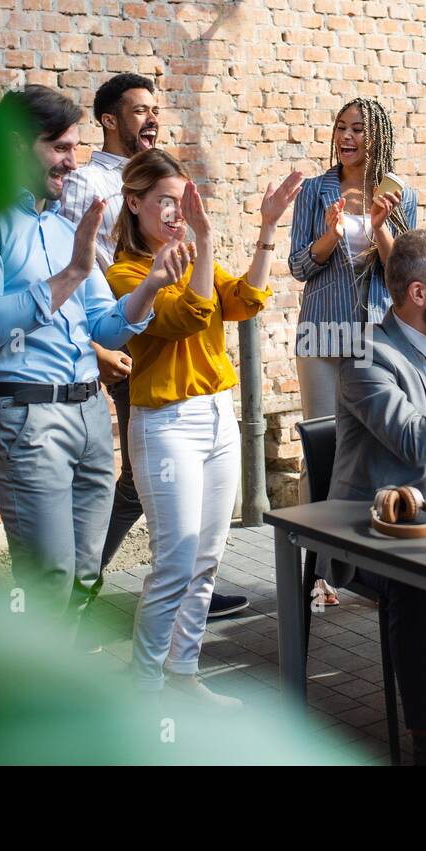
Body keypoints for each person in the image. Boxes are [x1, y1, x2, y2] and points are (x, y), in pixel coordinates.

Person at [0, 86, 189, 623]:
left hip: (89, 414)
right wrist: (72, 276)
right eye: (59, 147)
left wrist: (150, 287)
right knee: (48, 578)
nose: (72, 160)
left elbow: (104, 327)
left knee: (86, 575)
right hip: (25, 418)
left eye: (74, 146)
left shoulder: (64, 229)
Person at [106, 148, 300, 706]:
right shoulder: (127, 270)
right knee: (174, 561)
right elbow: (183, 316)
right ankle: (144, 688)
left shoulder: (191, 255)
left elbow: (243, 302)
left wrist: (266, 227)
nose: (174, 211)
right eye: (164, 201)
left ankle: (183, 675)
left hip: (218, 414)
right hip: (166, 423)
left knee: (208, 557)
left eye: (180, 200)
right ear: (134, 202)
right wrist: (204, 239)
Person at [61, 73, 253, 621]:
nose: (152, 119)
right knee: (134, 475)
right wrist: (97, 346)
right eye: (139, 110)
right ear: (109, 120)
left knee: (134, 478)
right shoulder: (86, 185)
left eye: (154, 109)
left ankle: (176, 583)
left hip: (156, 332)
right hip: (128, 339)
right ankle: (92, 582)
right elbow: (72, 274)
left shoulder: (158, 179)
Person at [327, 228, 426, 765]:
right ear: (419, 293)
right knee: (418, 588)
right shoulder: (365, 355)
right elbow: (418, 443)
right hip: (370, 528)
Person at [288, 99, 415, 456]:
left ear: (378, 138)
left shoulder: (401, 196)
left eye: (358, 129)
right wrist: (331, 236)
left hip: (380, 336)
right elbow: (299, 267)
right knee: (323, 446)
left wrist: (380, 228)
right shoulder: (314, 191)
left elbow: (404, 278)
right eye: (341, 127)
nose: (346, 136)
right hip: (321, 333)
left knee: (378, 444)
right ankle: (314, 512)